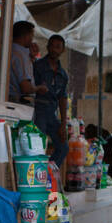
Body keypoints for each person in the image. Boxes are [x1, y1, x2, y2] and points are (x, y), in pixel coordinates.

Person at [33, 33, 69, 168]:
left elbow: (63, 98)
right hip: (38, 110)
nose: (55, 50)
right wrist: (37, 89)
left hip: (52, 113)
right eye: (52, 46)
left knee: (63, 147)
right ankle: (36, 176)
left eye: (58, 47)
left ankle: (48, 174)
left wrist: (63, 123)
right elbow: (29, 88)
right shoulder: (38, 66)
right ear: (47, 47)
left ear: (62, 50)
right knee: (38, 146)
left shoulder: (63, 74)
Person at [8, 21, 46, 105]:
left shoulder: (10, 50)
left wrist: (32, 58)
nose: (32, 39)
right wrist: (39, 88)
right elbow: (26, 88)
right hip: (19, 104)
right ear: (26, 36)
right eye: (32, 35)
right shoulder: (21, 55)